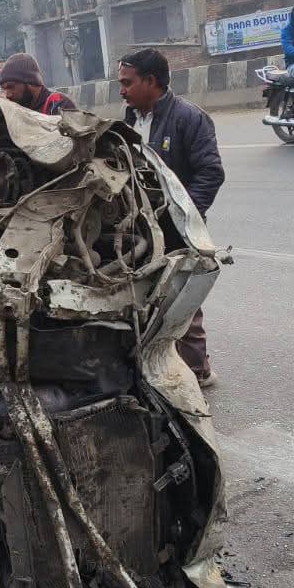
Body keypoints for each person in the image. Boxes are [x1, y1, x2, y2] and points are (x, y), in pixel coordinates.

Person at [118, 47, 225, 388]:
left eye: (127, 82)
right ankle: (155, 367)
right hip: (142, 231)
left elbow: (211, 172)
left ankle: (197, 371)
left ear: (151, 81)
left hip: (179, 231)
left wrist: (186, 219)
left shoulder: (188, 118)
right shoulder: (129, 121)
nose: (121, 90)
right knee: (147, 301)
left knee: (183, 302)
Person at [0, 53, 75, 115]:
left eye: (11, 87)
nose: (7, 94)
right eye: (3, 89)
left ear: (31, 83)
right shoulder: (13, 111)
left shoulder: (59, 104)